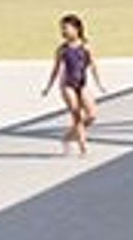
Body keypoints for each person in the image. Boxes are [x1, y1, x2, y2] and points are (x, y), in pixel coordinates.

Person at [42, 13, 99, 155]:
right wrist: (48, 87)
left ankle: (68, 136)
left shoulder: (86, 47)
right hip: (67, 84)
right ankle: (83, 147)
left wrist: (99, 83)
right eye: (62, 29)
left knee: (91, 115)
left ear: (76, 29)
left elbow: (93, 65)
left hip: (82, 83)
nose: (63, 31)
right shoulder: (62, 49)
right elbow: (55, 69)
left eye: (66, 28)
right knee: (76, 114)